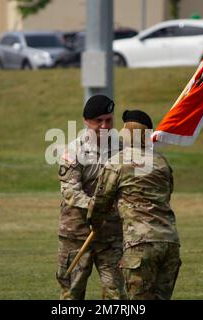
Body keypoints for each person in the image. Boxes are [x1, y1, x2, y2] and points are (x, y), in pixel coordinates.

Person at [87, 110, 182, 300]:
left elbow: (101, 201)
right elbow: (166, 195)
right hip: (170, 243)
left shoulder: (117, 162)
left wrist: (95, 223)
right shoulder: (162, 162)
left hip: (140, 245)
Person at [56, 95, 126, 300]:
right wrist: (97, 206)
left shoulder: (122, 149)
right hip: (77, 235)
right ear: (86, 121)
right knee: (72, 295)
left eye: (109, 119)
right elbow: (70, 192)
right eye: (99, 121)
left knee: (117, 295)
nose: (105, 125)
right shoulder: (73, 151)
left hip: (111, 236)